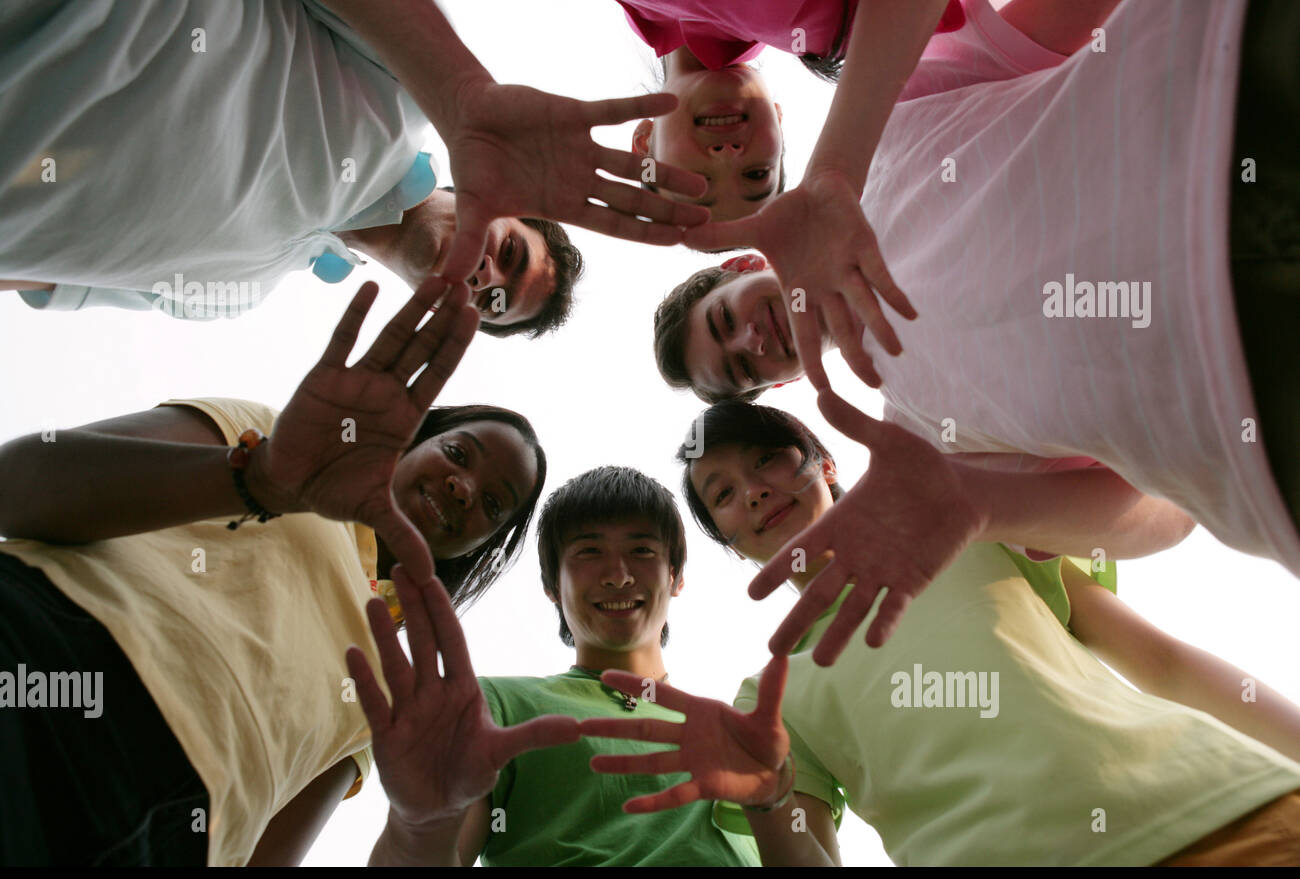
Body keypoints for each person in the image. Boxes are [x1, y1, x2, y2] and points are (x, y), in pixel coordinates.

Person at [652, 0, 1300, 632]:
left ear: (740, 268)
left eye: (722, 321)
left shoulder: (886, 122)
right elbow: (1163, 515)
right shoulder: (926, 446)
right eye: (743, 367)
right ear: (785, 380)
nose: (749, 338)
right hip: (1261, 415)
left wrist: (835, 171)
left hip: (1241, 95)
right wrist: (981, 504)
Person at [580, 401, 1300, 865]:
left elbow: (1162, 662)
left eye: (767, 460)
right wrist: (768, 799)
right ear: (732, 545)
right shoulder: (768, 697)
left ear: (826, 465)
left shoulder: (961, 534)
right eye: (723, 495)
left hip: (1225, 810)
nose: (755, 491)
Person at [0, 276, 547, 865]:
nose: (464, 489)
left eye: (494, 504)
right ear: (416, 440)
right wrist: (258, 479)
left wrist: (426, 827)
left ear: (482, 544)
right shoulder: (266, 441)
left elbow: (269, 858)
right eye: (459, 454)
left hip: (162, 838)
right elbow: (15, 488)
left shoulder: (395, 687)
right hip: (46, 646)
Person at [0, 0, 700, 332]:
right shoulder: (405, 95)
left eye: (490, 302)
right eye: (511, 254)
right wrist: (463, 96)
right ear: (501, 199)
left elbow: (50, 275)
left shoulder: (235, 296)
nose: (485, 276)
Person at [348, 466, 760, 866]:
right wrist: (417, 822)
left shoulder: (737, 735)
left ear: (675, 577)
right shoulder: (493, 706)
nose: (618, 576)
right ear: (551, 585)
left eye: (641, 551)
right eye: (589, 552)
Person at [620, 0, 975, 386]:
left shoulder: (665, 20)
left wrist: (836, 164)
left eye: (724, 319)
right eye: (755, 174)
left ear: (644, 142)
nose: (728, 154)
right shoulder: (817, 31)